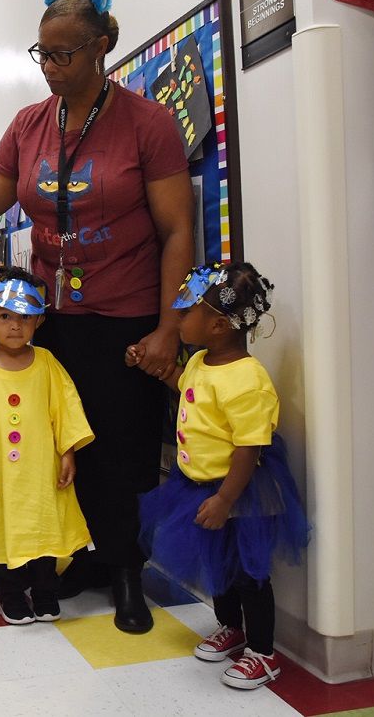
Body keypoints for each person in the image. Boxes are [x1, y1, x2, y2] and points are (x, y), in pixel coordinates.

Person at [0, 0, 194, 632]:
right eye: (42, 54)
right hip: (47, 321)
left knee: (120, 448)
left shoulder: (147, 124)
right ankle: (79, 554)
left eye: (63, 54)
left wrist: (169, 328)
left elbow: (178, 229)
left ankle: (126, 570)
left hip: (124, 317)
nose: (51, 68)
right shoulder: (29, 125)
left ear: (100, 47)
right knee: (52, 445)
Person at [130, 262, 309, 689]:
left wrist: (226, 500)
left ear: (218, 325)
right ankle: (231, 627)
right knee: (218, 567)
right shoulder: (201, 361)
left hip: (239, 492)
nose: (178, 319)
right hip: (196, 486)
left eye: (186, 311)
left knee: (249, 574)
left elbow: (250, 447)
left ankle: (263, 653)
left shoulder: (248, 380)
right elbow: (185, 385)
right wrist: (152, 367)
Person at [0, 267, 94, 625]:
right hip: (2, 474)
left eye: (24, 318)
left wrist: (68, 452)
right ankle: (11, 593)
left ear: (38, 322)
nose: (15, 326)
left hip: (42, 472)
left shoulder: (46, 362)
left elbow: (65, 407)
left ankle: (45, 592)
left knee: (45, 529)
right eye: (5, 316)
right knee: (6, 533)